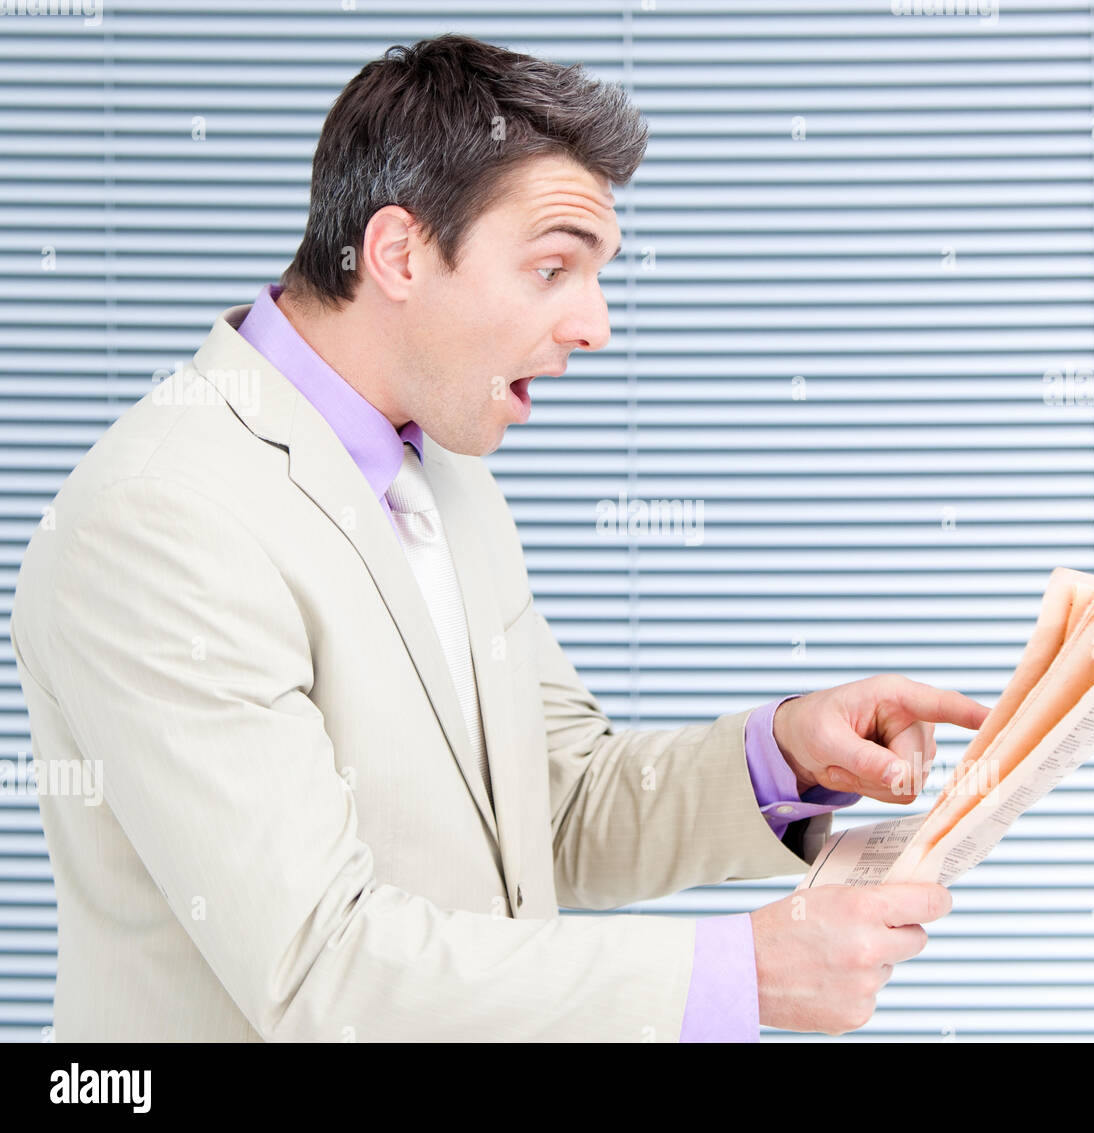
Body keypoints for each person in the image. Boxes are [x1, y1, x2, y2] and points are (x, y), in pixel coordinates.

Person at [11, 33, 988, 1042]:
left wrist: (778, 756)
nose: (596, 323)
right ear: (397, 253)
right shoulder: (158, 516)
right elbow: (317, 964)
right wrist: (733, 974)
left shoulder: (447, 474)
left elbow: (547, 808)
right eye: (552, 266)